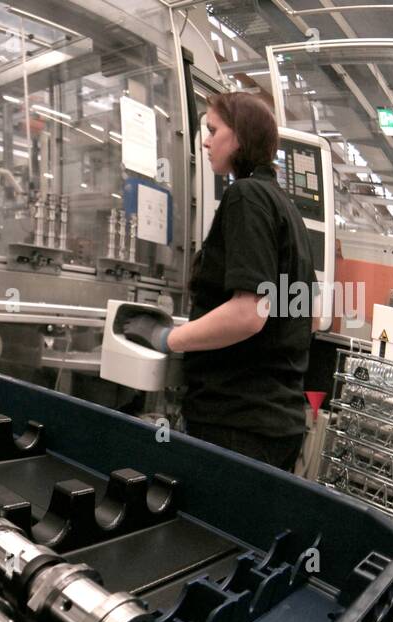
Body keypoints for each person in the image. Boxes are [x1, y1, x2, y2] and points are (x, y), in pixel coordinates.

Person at [123, 92, 315, 471]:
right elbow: (305, 311)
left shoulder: (246, 196)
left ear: (240, 137)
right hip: (274, 425)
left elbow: (248, 314)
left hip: (236, 423)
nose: (207, 141)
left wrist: (168, 338)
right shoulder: (285, 207)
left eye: (213, 130)